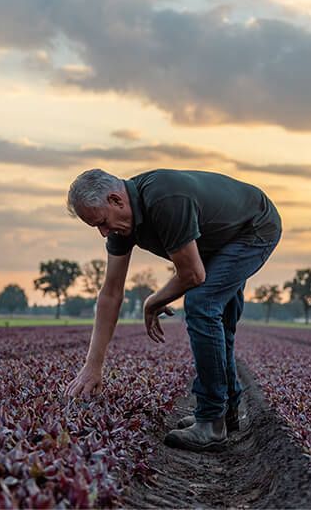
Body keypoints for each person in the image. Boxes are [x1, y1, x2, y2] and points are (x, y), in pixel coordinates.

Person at [62, 167, 282, 452]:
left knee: (201, 304)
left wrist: (153, 300)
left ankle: (211, 421)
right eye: (97, 227)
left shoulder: (165, 199)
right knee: (219, 316)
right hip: (218, 237)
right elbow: (111, 294)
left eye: (102, 222)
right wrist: (93, 367)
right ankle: (225, 413)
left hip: (253, 227)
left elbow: (192, 274)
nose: (104, 232)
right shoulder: (121, 222)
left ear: (116, 200)